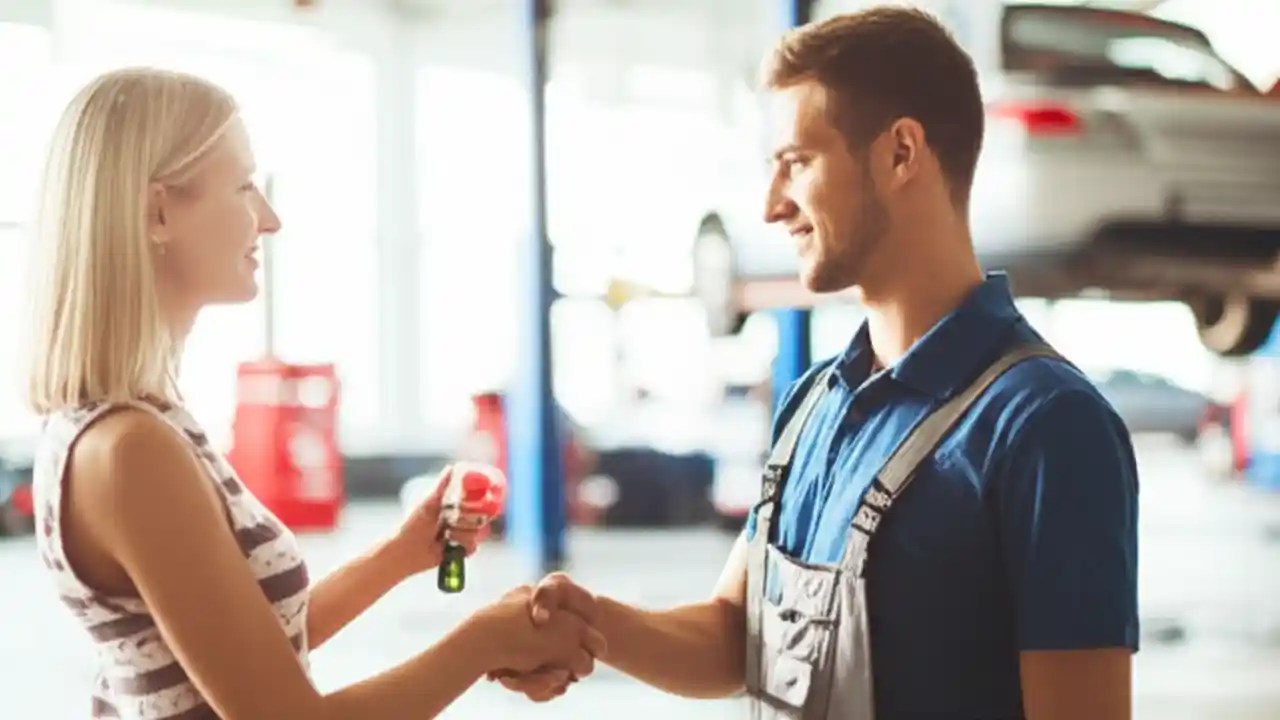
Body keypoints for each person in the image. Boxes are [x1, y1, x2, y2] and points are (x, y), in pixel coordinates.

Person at [495, 7, 1139, 720]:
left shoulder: (1046, 427)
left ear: (901, 154)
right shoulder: (814, 405)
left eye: (796, 163)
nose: (773, 207)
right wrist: (595, 625)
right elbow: (739, 637)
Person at [26, 67, 604, 720]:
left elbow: (240, 652)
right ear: (158, 211)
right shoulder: (132, 450)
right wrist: (483, 642)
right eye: (244, 186)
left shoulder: (125, 423)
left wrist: (399, 555)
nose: (268, 220)